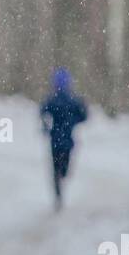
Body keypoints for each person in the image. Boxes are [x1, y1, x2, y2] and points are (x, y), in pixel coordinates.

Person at [40, 67, 88, 210]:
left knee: (56, 169)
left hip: (55, 140)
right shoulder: (73, 100)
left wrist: (46, 128)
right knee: (65, 167)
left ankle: (58, 192)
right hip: (68, 140)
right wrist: (73, 122)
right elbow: (84, 115)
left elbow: (42, 113)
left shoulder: (52, 100)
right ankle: (61, 179)